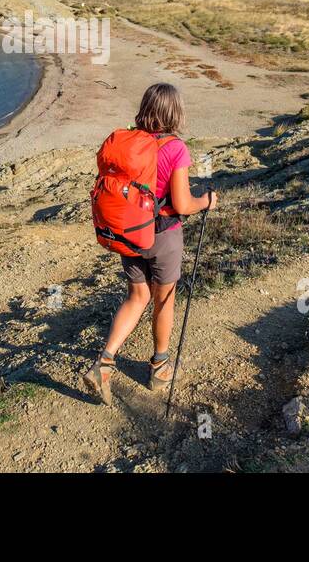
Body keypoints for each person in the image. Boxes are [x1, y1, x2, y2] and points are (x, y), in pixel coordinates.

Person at [83, 82, 216, 403]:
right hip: (163, 235)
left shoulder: (128, 142)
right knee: (164, 299)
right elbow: (182, 204)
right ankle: (159, 367)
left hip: (130, 232)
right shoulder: (176, 149)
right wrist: (207, 201)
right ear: (175, 112)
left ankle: (104, 362)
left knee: (137, 295)